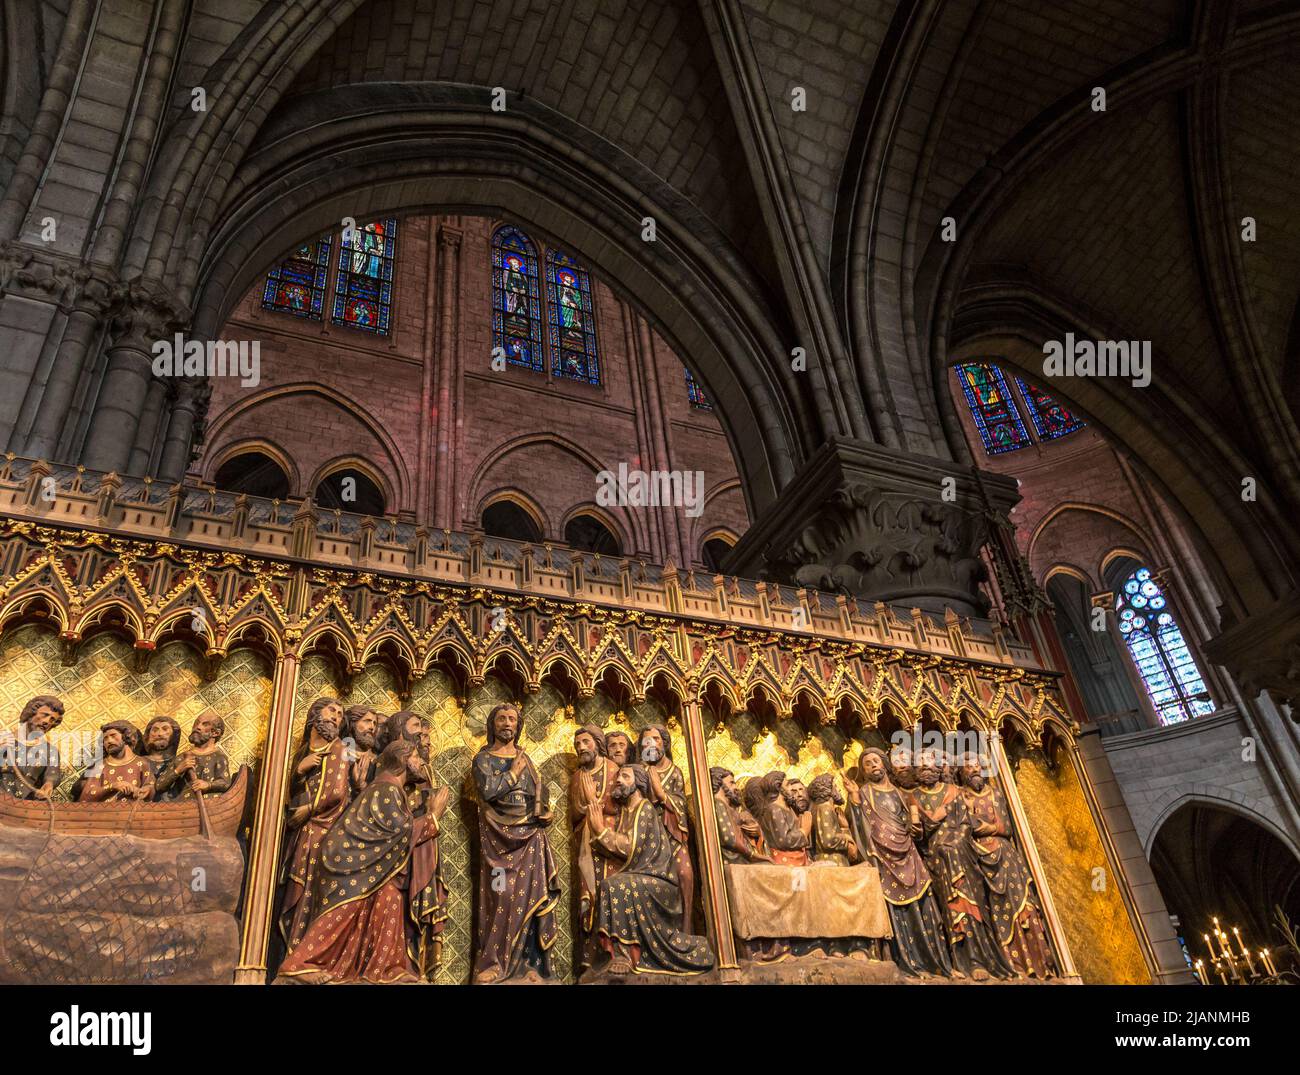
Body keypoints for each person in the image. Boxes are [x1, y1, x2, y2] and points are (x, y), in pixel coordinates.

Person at [278, 739, 449, 984]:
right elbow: (398, 831)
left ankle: (384, 970)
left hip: (365, 868)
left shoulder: (389, 789)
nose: (421, 762)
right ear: (402, 760)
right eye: (415, 756)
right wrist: (432, 816)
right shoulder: (386, 788)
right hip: (349, 867)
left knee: (390, 898)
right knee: (340, 914)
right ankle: (298, 963)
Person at [589, 764, 715, 977]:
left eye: (625, 777)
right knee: (609, 884)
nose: (618, 781)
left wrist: (601, 831)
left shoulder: (644, 808)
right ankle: (619, 953)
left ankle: (627, 955)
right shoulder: (627, 812)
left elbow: (631, 846)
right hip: (642, 875)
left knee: (616, 886)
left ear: (637, 783)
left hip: (660, 881)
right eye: (618, 777)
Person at [471, 702, 560, 983]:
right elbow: (487, 790)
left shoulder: (525, 758)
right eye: (501, 719)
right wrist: (512, 773)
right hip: (498, 840)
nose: (507, 723)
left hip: (530, 838)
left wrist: (546, 811)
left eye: (512, 719)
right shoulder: (483, 759)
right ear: (492, 725)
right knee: (502, 896)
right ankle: (493, 962)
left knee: (533, 897)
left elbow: (538, 795)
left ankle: (529, 964)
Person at [844, 748, 952, 977]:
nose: (873, 766)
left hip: (907, 854)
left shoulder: (901, 793)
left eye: (876, 761)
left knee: (924, 904)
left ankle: (937, 964)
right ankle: (907, 963)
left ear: (885, 765)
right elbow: (858, 825)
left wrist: (915, 828)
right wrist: (853, 800)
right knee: (895, 911)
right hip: (882, 858)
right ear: (863, 771)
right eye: (867, 764)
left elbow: (911, 823)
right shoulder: (863, 793)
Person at [278, 697, 350, 954]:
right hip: (293, 829)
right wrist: (299, 770)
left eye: (340, 715)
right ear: (315, 713)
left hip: (321, 831)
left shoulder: (339, 748)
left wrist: (308, 810)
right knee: (289, 890)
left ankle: (301, 955)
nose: (336, 717)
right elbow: (282, 791)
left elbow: (337, 792)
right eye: (331, 710)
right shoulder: (301, 752)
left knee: (308, 892)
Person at [568, 724, 621, 970]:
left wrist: (594, 803)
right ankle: (590, 957)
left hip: (610, 843)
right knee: (588, 897)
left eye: (585, 742)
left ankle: (614, 953)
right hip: (586, 846)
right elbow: (575, 813)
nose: (581, 747)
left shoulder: (613, 769)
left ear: (597, 743)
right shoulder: (578, 776)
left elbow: (617, 807)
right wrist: (589, 807)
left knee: (610, 893)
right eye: (578, 744)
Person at [636, 725, 695, 931]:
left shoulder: (674, 771)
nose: (651, 744)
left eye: (655, 739)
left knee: (685, 874)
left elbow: (681, 803)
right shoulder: (639, 771)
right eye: (646, 741)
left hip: (673, 834)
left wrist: (662, 796)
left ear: (664, 743)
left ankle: (686, 927)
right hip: (648, 838)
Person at [0, 695, 64, 799]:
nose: (47, 721)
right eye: (45, 715)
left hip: (25, 803)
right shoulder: (3, 739)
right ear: (31, 713)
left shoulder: (50, 751)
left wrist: (49, 783)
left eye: (52, 719)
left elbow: (52, 773)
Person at [156, 713, 231, 799]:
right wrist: (178, 770)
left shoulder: (218, 756)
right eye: (196, 723)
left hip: (209, 803)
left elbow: (225, 783)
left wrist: (208, 785)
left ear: (215, 733)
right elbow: (159, 785)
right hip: (183, 804)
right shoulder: (183, 757)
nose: (198, 727)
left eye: (205, 724)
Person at [76, 720, 154, 801]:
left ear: (126, 737)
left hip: (133, 811)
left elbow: (151, 787)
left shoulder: (143, 763)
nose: (109, 741)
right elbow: (87, 795)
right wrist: (113, 786)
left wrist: (145, 791)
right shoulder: (99, 766)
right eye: (105, 738)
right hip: (105, 812)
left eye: (113, 736)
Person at [141, 716, 182, 797]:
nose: (159, 734)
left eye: (165, 729)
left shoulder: (180, 762)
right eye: (155, 730)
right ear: (148, 736)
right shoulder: (138, 761)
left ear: (174, 735)